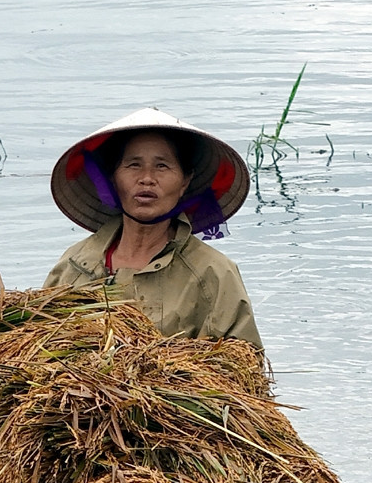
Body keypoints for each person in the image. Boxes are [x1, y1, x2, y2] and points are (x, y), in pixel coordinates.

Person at [45, 107, 262, 348]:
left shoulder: (213, 273)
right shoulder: (75, 266)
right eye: (133, 165)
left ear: (184, 182)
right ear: (113, 179)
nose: (147, 178)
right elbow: (37, 348)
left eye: (162, 166)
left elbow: (242, 364)